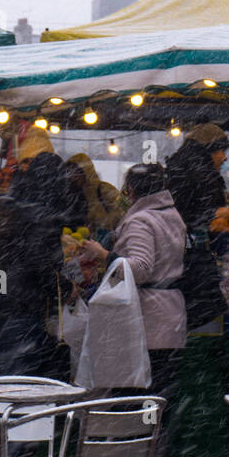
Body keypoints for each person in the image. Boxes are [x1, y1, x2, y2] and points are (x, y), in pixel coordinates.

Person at [82, 164, 187, 409]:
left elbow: (140, 268)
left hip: (148, 322)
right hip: (170, 318)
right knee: (159, 401)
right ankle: (154, 445)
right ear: (162, 187)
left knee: (133, 399)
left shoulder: (141, 220)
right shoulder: (171, 215)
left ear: (130, 190)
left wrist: (103, 254)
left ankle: (132, 445)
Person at [0, 151, 71, 379]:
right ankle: (17, 414)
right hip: (20, 303)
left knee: (9, 378)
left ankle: (5, 413)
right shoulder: (41, 213)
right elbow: (38, 259)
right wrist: (63, 287)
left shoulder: (17, 205)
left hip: (2, 298)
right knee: (19, 380)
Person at [165, 123, 229, 231]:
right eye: (221, 151)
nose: (224, 158)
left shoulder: (202, 179)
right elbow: (184, 218)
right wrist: (213, 214)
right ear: (205, 154)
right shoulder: (186, 180)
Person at [65, 152, 125, 234]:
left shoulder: (104, 189)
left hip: (107, 240)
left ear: (85, 172)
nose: (73, 177)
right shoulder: (72, 194)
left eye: (76, 172)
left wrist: (98, 225)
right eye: (70, 172)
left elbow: (121, 213)